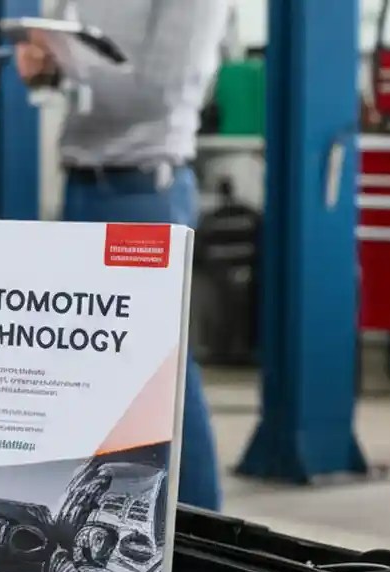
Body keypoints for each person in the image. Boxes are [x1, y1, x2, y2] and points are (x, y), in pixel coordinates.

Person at [14, 0, 232, 511]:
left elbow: (158, 92)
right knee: (90, 369)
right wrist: (45, 70)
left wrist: (63, 62)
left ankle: (201, 528)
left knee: (160, 368)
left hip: (144, 193)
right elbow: (83, 81)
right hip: (83, 186)